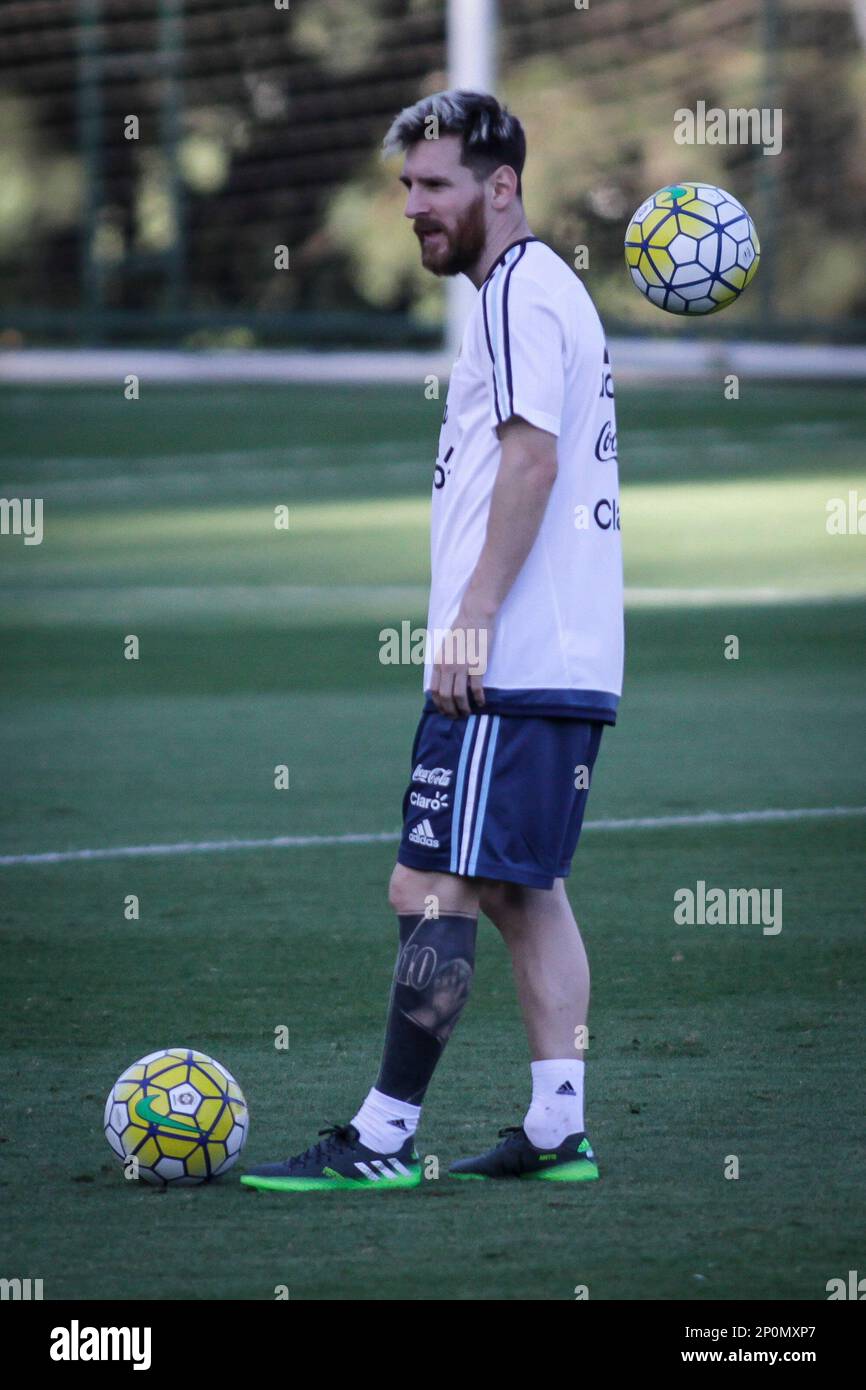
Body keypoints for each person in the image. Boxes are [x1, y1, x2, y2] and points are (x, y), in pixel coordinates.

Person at [242, 90, 623, 1192]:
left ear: (499, 187)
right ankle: (558, 1129)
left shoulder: (514, 292)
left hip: (506, 661)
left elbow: (531, 461)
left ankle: (380, 1137)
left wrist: (467, 620)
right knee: (521, 889)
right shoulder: (536, 290)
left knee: (429, 890)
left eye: (435, 184)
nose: (413, 206)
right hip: (561, 656)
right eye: (406, 185)